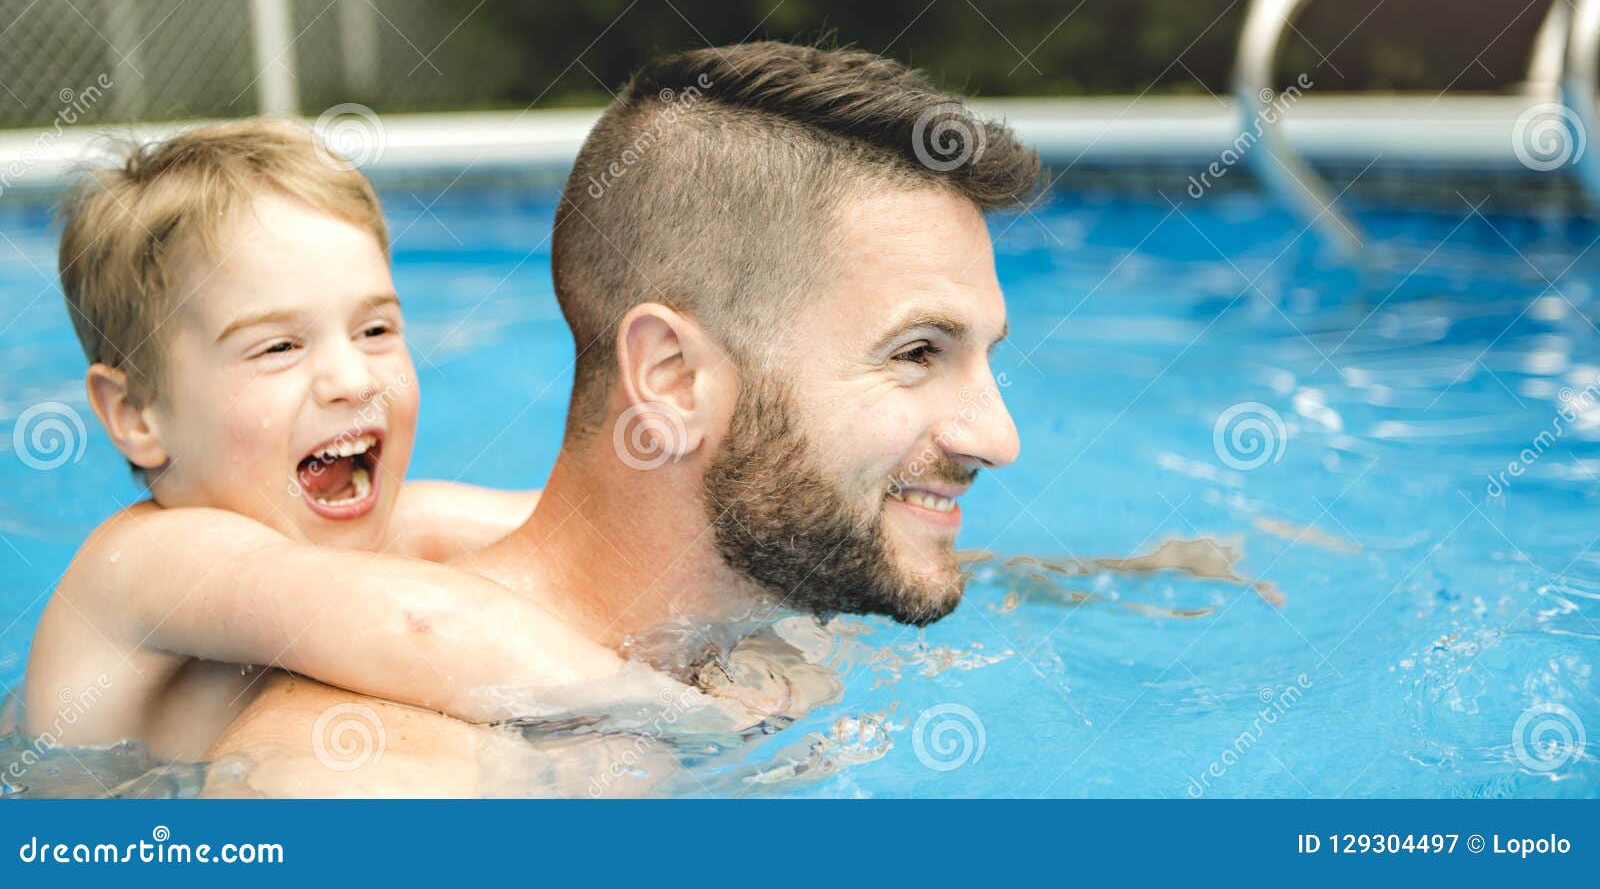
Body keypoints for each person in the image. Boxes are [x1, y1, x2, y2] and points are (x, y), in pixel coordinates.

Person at [206, 41, 1040, 795]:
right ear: (672, 378)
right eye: (918, 353)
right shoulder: (362, 776)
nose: (996, 437)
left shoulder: (786, 634)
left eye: (984, 356)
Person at [23, 120, 638, 762]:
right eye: (280, 346)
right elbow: (422, 626)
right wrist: (668, 706)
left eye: (375, 330)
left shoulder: (393, 525)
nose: (352, 380)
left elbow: (584, 529)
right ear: (136, 413)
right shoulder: (146, 561)